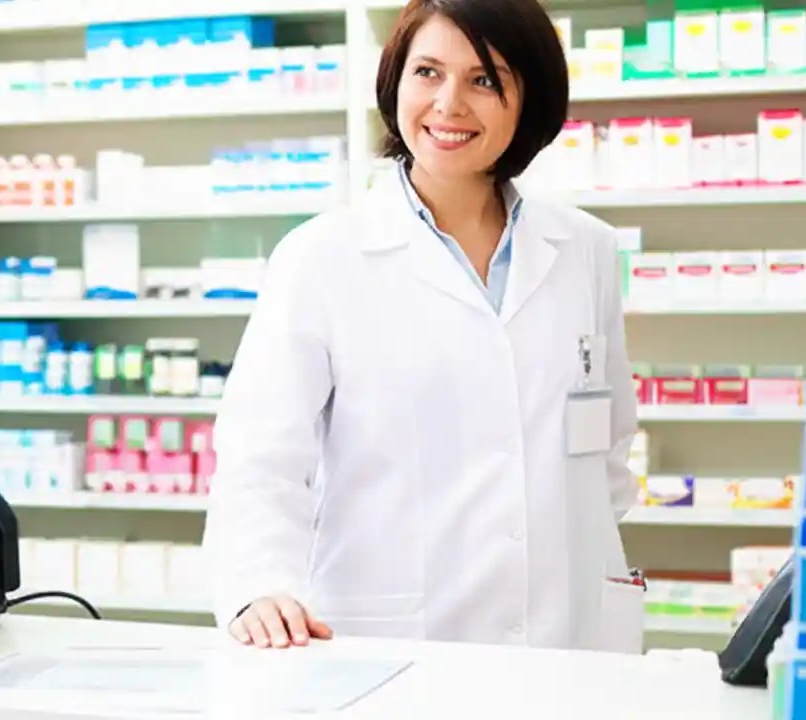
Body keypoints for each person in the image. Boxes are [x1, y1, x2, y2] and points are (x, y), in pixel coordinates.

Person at [203, 0, 642, 653]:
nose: (449, 103)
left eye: (485, 80)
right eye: (428, 72)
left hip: (565, 638)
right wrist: (259, 584)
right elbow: (259, 458)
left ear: (531, 98)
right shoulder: (322, 256)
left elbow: (605, 449)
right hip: (388, 637)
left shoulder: (588, 250)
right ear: (395, 82)